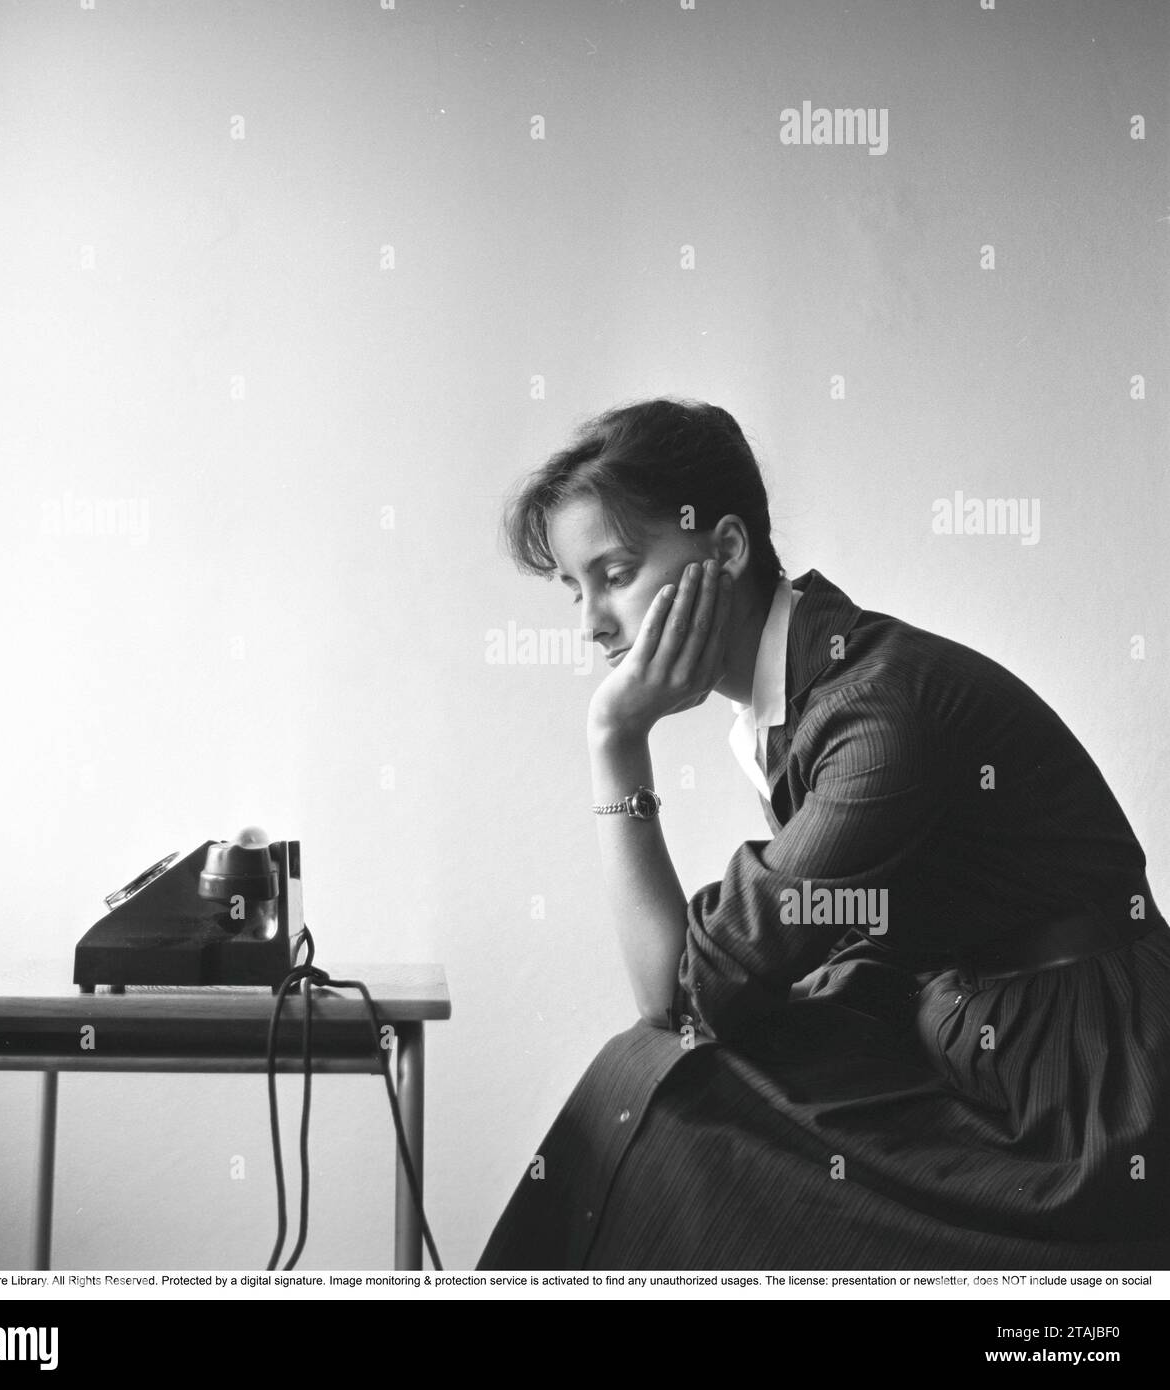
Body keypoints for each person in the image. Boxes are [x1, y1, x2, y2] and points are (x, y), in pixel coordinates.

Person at [477, 397, 1170, 1270]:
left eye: (614, 573)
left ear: (724, 549)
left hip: (1087, 1093)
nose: (590, 623)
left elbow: (676, 986)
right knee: (665, 1074)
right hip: (970, 1025)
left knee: (679, 1091)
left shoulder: (873, 718)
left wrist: (613, 744)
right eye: (574, 590)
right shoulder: (805, 689)